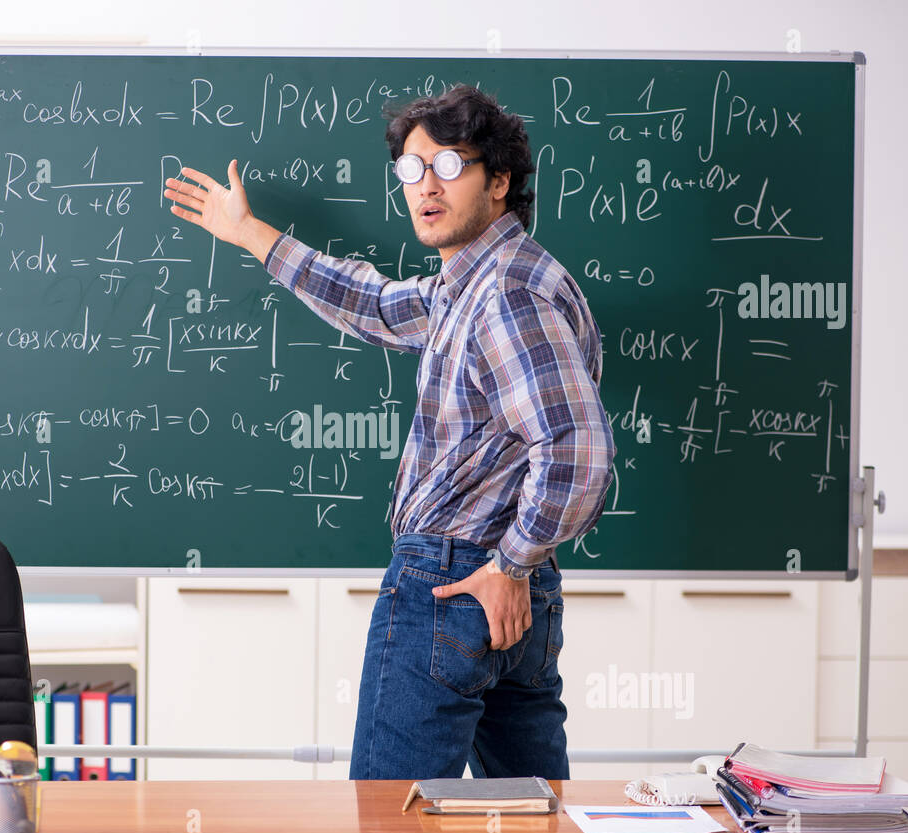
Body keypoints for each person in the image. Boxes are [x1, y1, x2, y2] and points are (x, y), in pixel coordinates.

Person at [163, 84, 615, 780]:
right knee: (533, 830)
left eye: (447, 166)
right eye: (410, 169)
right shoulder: (475, 285)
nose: (424, 187)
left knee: (384, 830)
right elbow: (371, 302)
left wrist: (510, 564)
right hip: (507, 592)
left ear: (499, 182)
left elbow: (578, 453)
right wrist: (249, 231)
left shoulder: (506, 295)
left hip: (455, 585)